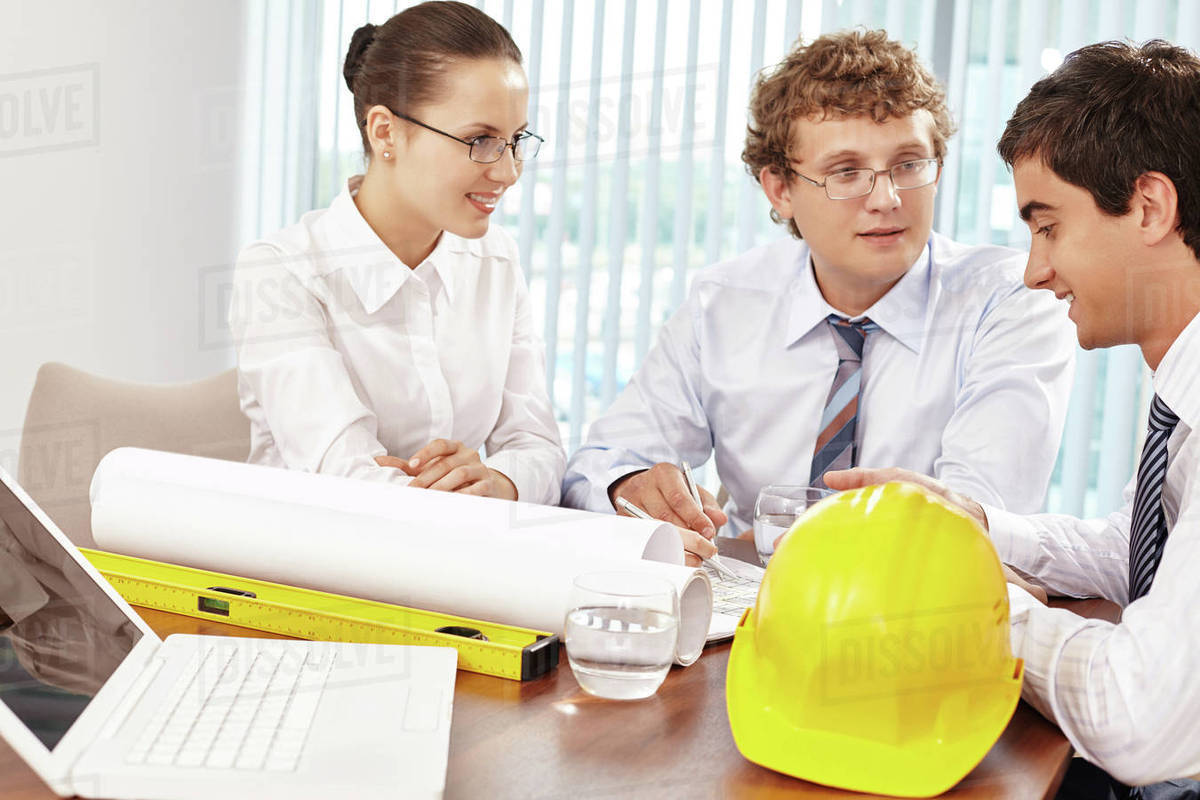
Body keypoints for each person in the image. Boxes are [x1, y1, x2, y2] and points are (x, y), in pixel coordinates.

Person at [827, 39, 1200, 799]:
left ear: (1150, 207)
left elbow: (1135, 721)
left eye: (1049, 226)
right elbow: (1136, 552)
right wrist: (974, 527)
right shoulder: (1181, 389)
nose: (1034, 271)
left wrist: (966, 605)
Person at [561, 30, 1075, 563]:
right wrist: (630, 487)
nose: (887, 198)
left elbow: (976, 515)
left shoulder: (1012, 299)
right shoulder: (725, 302)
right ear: (780, 190)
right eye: (846, 172)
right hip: (751, 603)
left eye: (909, 164)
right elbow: (596, 464)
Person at [230, 1, 564, 504]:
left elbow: (537, 446)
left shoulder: (496, 260)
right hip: (311, 566)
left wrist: (500, 481)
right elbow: (344, 482)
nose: (508, 171)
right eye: (480, 140)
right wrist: (461, 496)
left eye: (516, 140)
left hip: (456, 561)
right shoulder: (282, 271)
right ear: (385, 131)